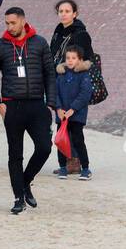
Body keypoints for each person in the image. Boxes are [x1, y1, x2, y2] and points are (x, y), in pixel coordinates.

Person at [0, 6, 59, 214]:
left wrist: (50, 103)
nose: (10, 27)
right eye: (7, 23)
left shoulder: (40, 43)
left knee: (44, 147)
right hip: (11, 106)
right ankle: (18, 197)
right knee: (15, 154)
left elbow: (50, 75)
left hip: (37, 105)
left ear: (23, 21)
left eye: (13, 23)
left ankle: (26, 181)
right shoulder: (0, 46)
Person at [52, 46, 94, 181]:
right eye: (68, 58)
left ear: (79, 59)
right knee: (61, 141)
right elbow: (55, 92)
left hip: (76, 115)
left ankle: (86, 168)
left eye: (73, 58)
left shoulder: (84, 75)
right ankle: (63, 167)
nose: (70, 61)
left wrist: (73, 109)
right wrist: (58, 108)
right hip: (62, 115)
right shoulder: (61, 74)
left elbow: (85, 94)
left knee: (78, 141)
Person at [49, 0, 94, 74]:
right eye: (61, 11)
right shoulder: (58, 32)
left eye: (67, 11)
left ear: (74, 14)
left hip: (73, 77)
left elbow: (83, 59)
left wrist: (62, 66)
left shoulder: (81, 34)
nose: (63, 14)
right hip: (56, 76)